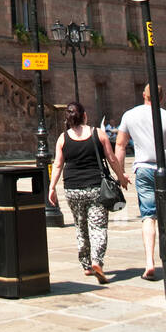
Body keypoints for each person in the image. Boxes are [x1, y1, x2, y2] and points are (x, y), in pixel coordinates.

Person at [115, 84, 166, 281]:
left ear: (143, 95)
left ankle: (149, 263)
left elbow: (120, 145)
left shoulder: (129, 116)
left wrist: (120, 174)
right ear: (162, 97)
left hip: (142, 170)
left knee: (148, 217)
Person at [49, 102, 127, 283]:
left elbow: (58, 164)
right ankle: (97, 261)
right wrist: (121, 177)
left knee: (80, 226)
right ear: (85, 116)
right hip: (96, 187)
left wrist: (52, 187)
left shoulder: (63, 138)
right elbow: (112, 158)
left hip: (72, 188)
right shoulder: (97, 134)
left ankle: (85, 265)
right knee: (98, 227)